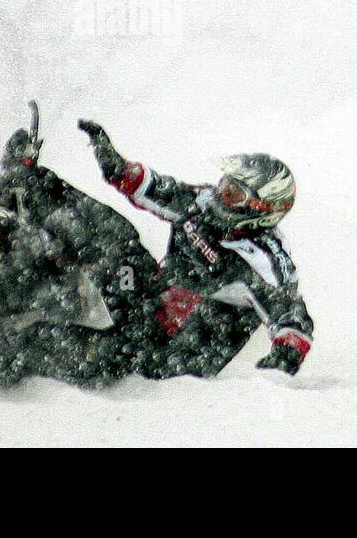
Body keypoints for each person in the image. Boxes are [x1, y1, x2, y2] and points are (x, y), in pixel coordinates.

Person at [77, 119, 313, 377]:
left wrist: (286, 352)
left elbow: (290, 310)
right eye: (226, 184)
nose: (222, 195)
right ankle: (30, 187)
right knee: (113, 235)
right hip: (148, 304)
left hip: (173, 354)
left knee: (65, 348)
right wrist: (117, 167)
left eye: (234, 194)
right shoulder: (204, 203)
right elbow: (157, 190)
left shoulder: (265, 258)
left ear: (260, 211)